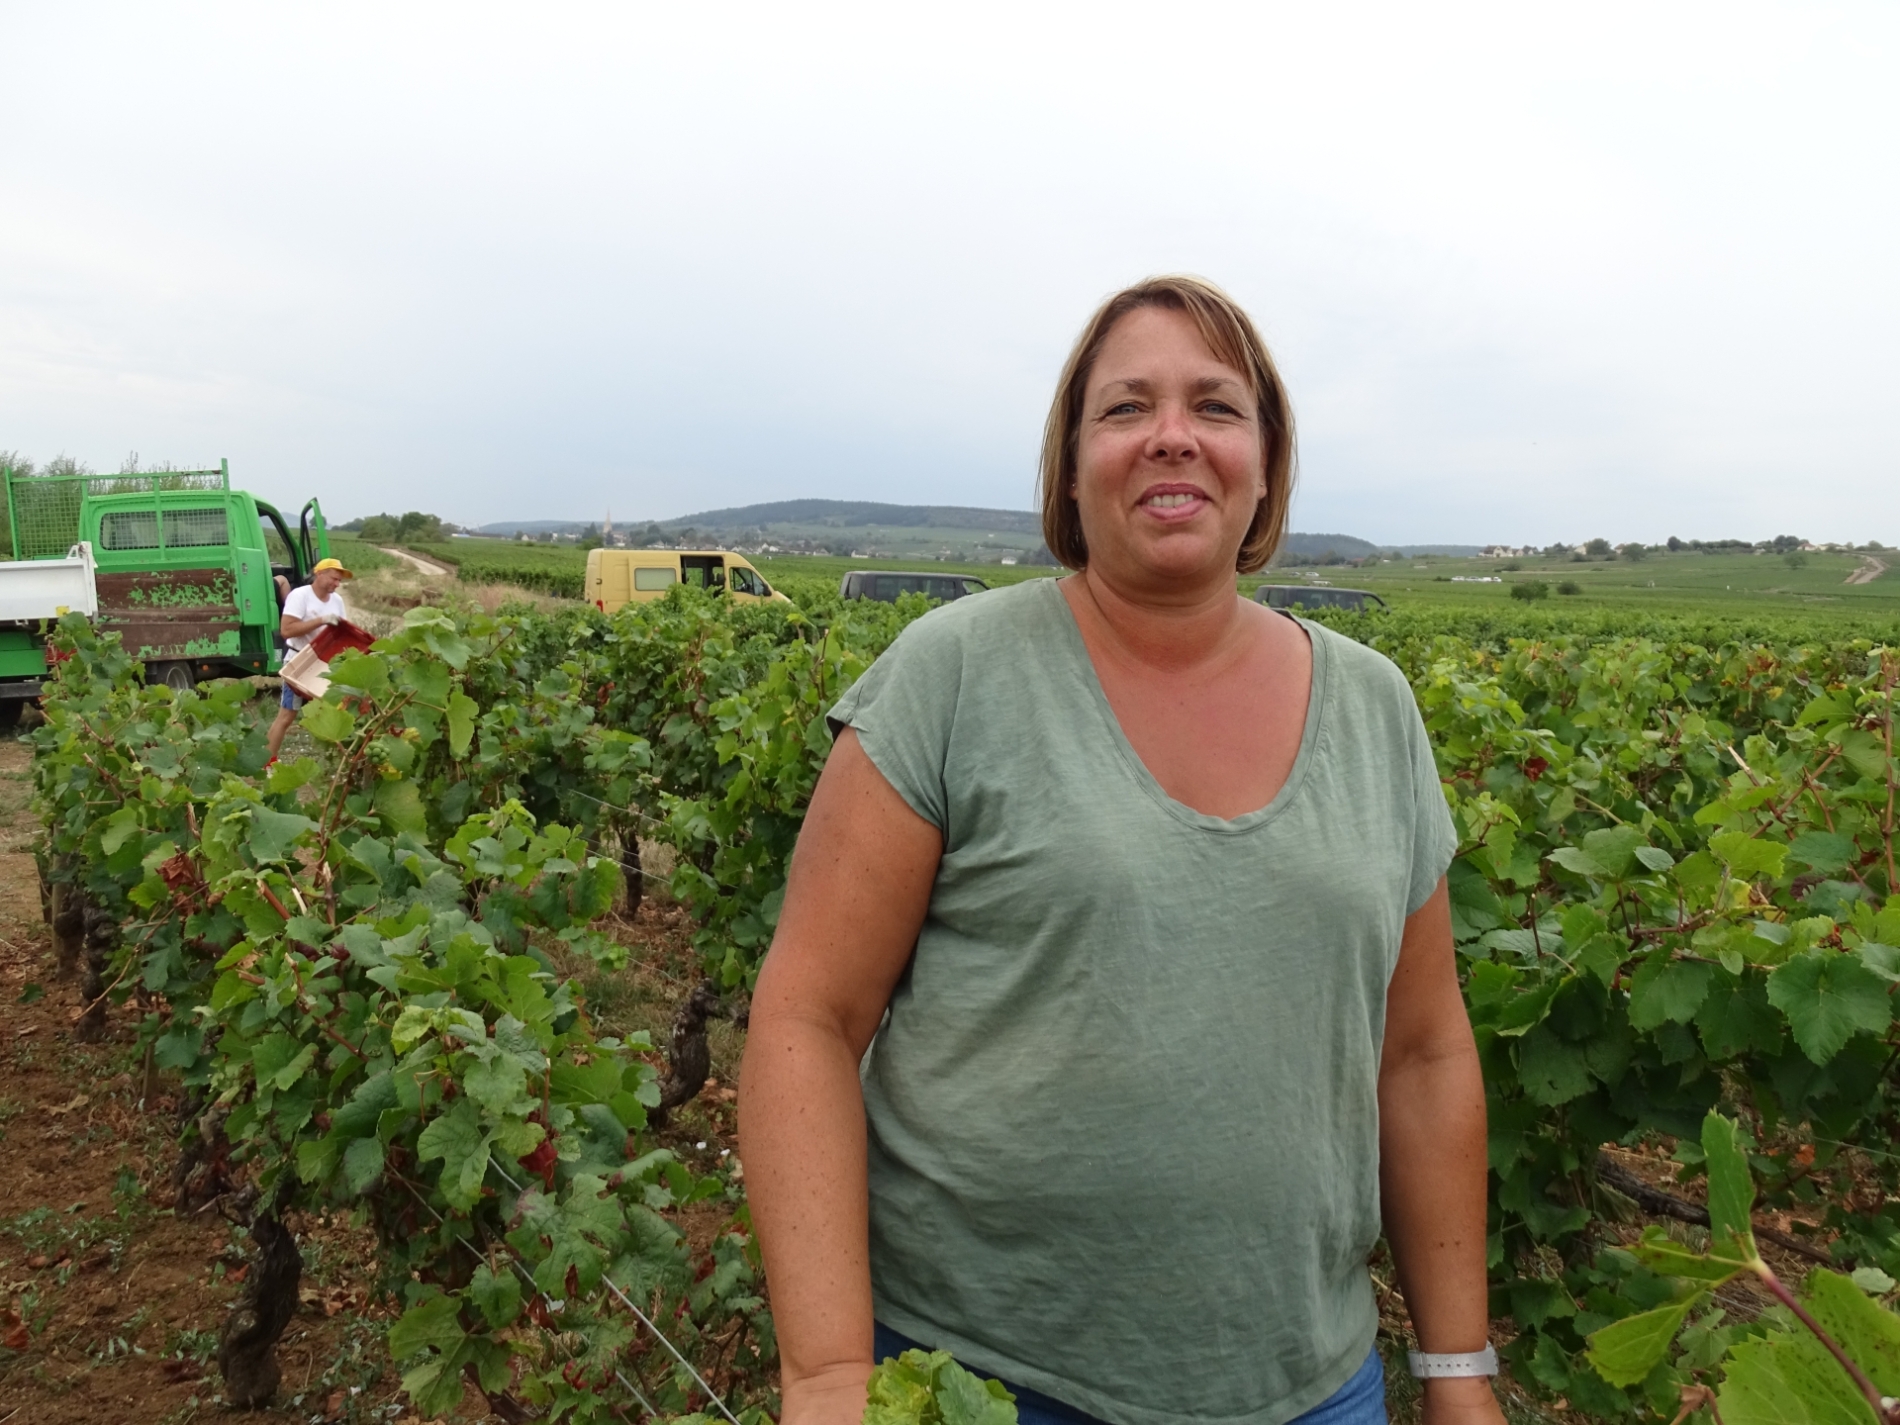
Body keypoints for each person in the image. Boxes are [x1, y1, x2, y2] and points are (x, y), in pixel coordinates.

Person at [738, 277, 1502, 1425]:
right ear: (1070, 466)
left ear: (1265, 463)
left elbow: (1424, 1054)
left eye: (1215, 406)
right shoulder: (952, 674)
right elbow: (807, 1017)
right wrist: (830, 1373)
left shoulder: (1373, 707)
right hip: (979, 1380)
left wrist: (1457, 1371)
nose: (1171, 436)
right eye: (1126, 407)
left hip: (1309, 1386)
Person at [267, 557, 352, 760]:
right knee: (287, 716)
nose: (337, 584)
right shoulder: (300, 596)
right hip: (299, 661)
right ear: (319, 574)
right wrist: (321, 620)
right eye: (334, 579)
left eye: (339, 581)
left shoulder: (337, 601)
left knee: (333, 713)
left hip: (324, 664)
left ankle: (335, 761)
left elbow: (342, 632)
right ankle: (267, 763)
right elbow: (287, 630)